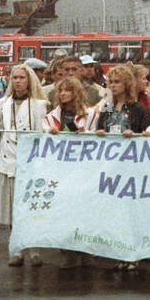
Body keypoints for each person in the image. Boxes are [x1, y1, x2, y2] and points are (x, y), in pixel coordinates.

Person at [0, 64, 49, 266]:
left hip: (31, 161)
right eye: (14, 77)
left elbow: (45, 130)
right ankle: (16, 249)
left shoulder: (40, 105)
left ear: (29, 80)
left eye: (22, 77)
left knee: (30, 207)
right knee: (12, 207)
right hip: (7, 159)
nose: (17, 81)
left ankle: (34, 249)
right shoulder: (2, 103)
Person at [43, 76, 99, 270]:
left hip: (84, 169)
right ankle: (67, 251)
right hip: (62, 170)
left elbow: (99, 138)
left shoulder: (91, 114)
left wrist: (87, 134)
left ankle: (85, 250)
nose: (63, 94)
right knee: (65, 210)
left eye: (68, 90)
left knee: (84, 210)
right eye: (60, 90)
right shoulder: (52, 116)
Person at [97, 65, 150, 135]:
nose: (112, 85)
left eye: (117, 82)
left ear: (126, 84)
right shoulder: (107, 106)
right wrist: (99, 132)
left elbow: (146, 133)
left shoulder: (137, 108)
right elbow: (99, 128)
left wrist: (133, 134)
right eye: (110, 82)